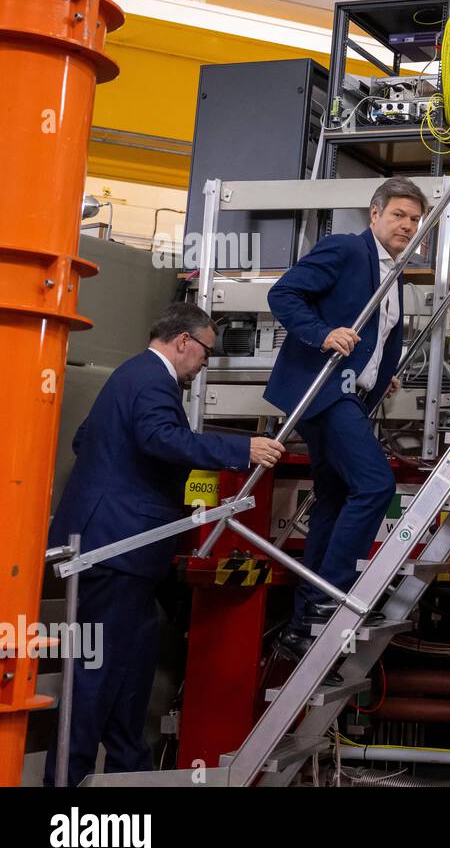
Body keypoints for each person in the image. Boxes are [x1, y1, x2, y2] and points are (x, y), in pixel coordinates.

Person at [45, 302, 283, 786]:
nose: (204, 365)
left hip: (124, 550)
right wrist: (242, 449)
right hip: (113, 550)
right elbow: (160, 438)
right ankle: (63, 787)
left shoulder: (129, 377)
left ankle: (128, 775)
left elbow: (86, 440)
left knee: (128, 676)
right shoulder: (153, 380)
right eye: (206, 354)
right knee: (96, 677)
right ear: (183, 343)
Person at [264, 176, 425, 658]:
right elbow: (283, 294)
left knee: (333, 498)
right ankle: (334, 595)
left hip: (349, 395)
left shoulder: (394, 272)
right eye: (398, 215)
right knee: (374, 485)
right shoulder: (346, 250)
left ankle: (305, 616)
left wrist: (379, 375)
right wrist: (323, 333)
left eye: (415, 220)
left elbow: (379, 333)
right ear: (373, 215)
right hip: (323, 392)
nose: (407, 225)